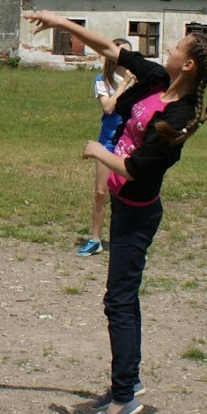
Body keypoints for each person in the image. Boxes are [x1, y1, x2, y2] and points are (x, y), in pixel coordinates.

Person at [26, 10, 207, 414]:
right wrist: (61, 23)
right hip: (124, 206)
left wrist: (98, 151)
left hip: (137, 213)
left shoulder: (180, 117)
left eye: (175, 48)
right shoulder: (156, 82)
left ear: (188, 65)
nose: (167, 50)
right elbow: (110, 49)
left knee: (118, 301)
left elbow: (136, 169)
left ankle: (124, 396)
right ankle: (126, 382)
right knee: (121, 298)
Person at [78, 40, 133, 257]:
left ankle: (126, 241)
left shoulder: (140, 82)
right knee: (101, 191)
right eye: (121, 52)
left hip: (129, 143)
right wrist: (123, 85)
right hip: (107, 142)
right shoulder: (103, 80)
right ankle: (95, 240)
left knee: (126, 195)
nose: (126, 57)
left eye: (129, 53)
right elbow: (108, 107)